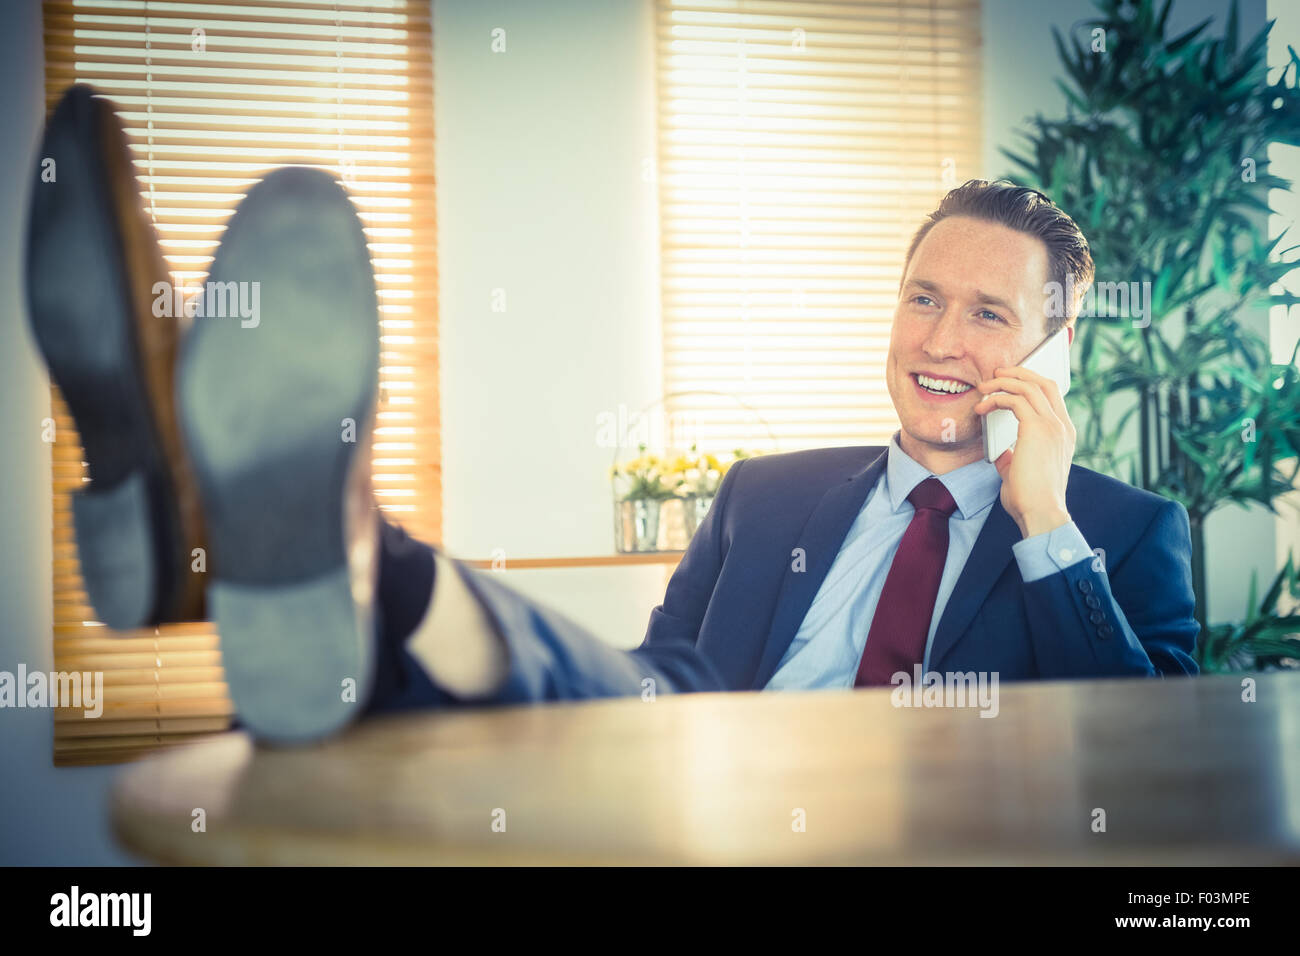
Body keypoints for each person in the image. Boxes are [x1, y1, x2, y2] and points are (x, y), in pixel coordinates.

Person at [24, 85, 1199, 746]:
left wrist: (1042, 519)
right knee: (554, 688)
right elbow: (648, 680)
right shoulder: (767, 491)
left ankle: (218, 528)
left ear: (1052, 347)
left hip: (930, 836)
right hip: (690, 783)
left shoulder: (1124, 533)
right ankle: (297, 536)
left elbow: (1153, 765)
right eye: (922, 299)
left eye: (988, 315)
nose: (941, 341)